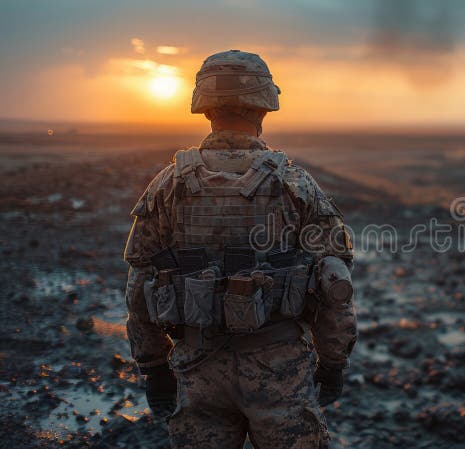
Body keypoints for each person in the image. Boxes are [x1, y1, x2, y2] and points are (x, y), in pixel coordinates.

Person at [123, 50, 357, 449]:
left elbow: (139, 284)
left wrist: (153, 368)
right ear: (264, 105)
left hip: (197, 371)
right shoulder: (295, 185)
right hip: (280, 371)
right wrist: (332, 364)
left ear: (205, 106)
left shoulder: (167, 184)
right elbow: (335, 284)